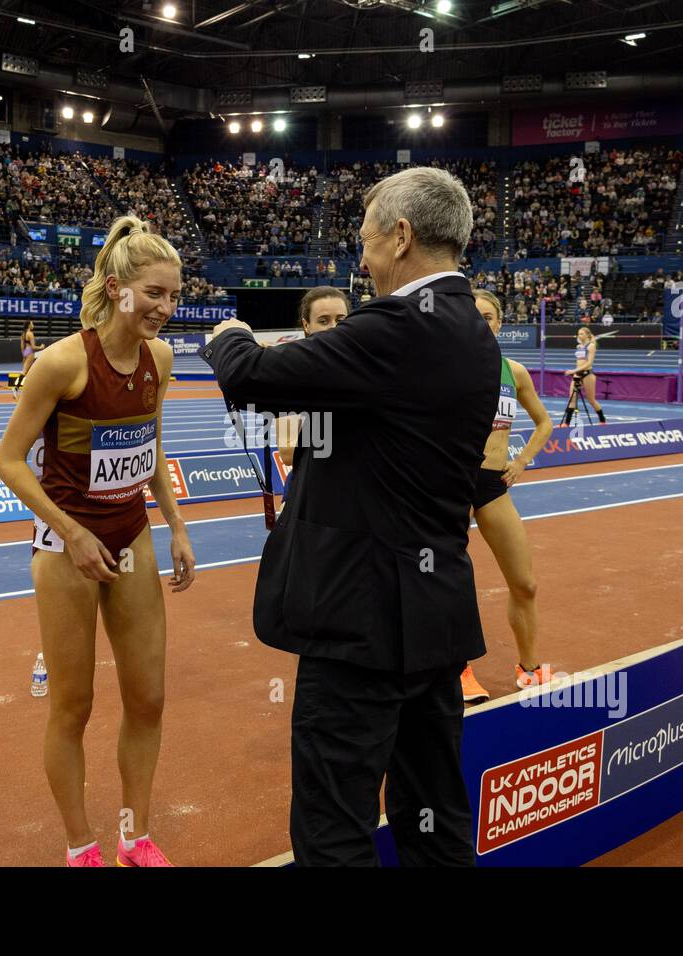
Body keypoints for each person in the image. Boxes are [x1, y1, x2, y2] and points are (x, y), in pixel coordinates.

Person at [201, 166, 501, 866]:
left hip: (362, 619)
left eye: (365, 240)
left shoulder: (399, 326)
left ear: (400, 236)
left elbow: (251, 378)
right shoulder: (472, 328)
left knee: (333, 825)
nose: (360, 259)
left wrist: (229, 331)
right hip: (434, 613)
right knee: (433, 815)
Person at [0, 216, 197, 869]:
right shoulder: (62, 363)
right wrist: (72, 532)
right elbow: (10, 462)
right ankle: (80, 846)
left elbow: (150, 444)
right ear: (116, 289)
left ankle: (134, 837)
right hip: (65, 547)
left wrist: (176, 524)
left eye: (174, 296)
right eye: (155, 294)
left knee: (149, 697)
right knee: (73, 705)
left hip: (131, 533)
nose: (166, 309)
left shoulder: (159, 360)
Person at [464, 289, 556, 703]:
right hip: (450, 483)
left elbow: (544, 423)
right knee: (446, 581)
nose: (482, 322)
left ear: (500, 322)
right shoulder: (446, 368)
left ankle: (530, 669)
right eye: (474, 315)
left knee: (525, 582)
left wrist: (520, 463)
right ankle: (457, 669)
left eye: (489, 316)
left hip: (493, 484)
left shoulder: (514, 371)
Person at [276, 287, 349, 466]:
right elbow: (287, 451)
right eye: (323, 321)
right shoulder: (291, 376)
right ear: (306, 325)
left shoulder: (366, 367)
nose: (334, 327)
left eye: (341, 320)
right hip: (313, 486)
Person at [563, 326, 607, 425]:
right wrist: (575, 372)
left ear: (587, 335)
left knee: (591, 400)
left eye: (582, 333)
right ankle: (566, 423)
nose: (579, 335)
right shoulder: (579, 346)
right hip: (577, 374)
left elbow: (588, 363)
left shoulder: (591, 346)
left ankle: (602, 419)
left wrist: (574, 370)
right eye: (578, 334)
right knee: (572, 399)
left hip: (587, 374)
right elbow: (579, 361)